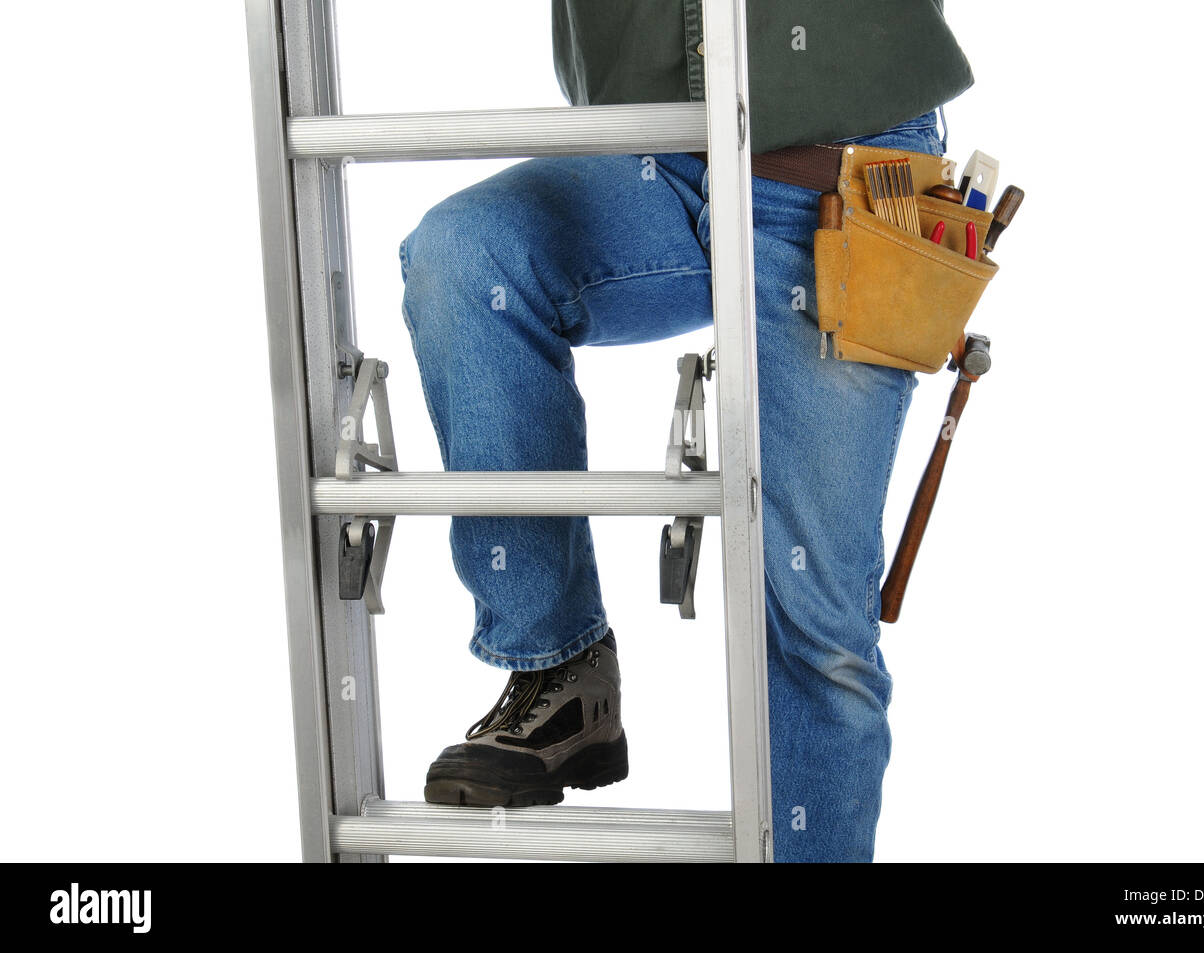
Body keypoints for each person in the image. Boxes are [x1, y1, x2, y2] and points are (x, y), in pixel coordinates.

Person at [398, 1, 973, 862]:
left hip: (839, 172)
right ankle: (562, 671)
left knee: (814, 616)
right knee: (469, 252)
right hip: (652, 160)